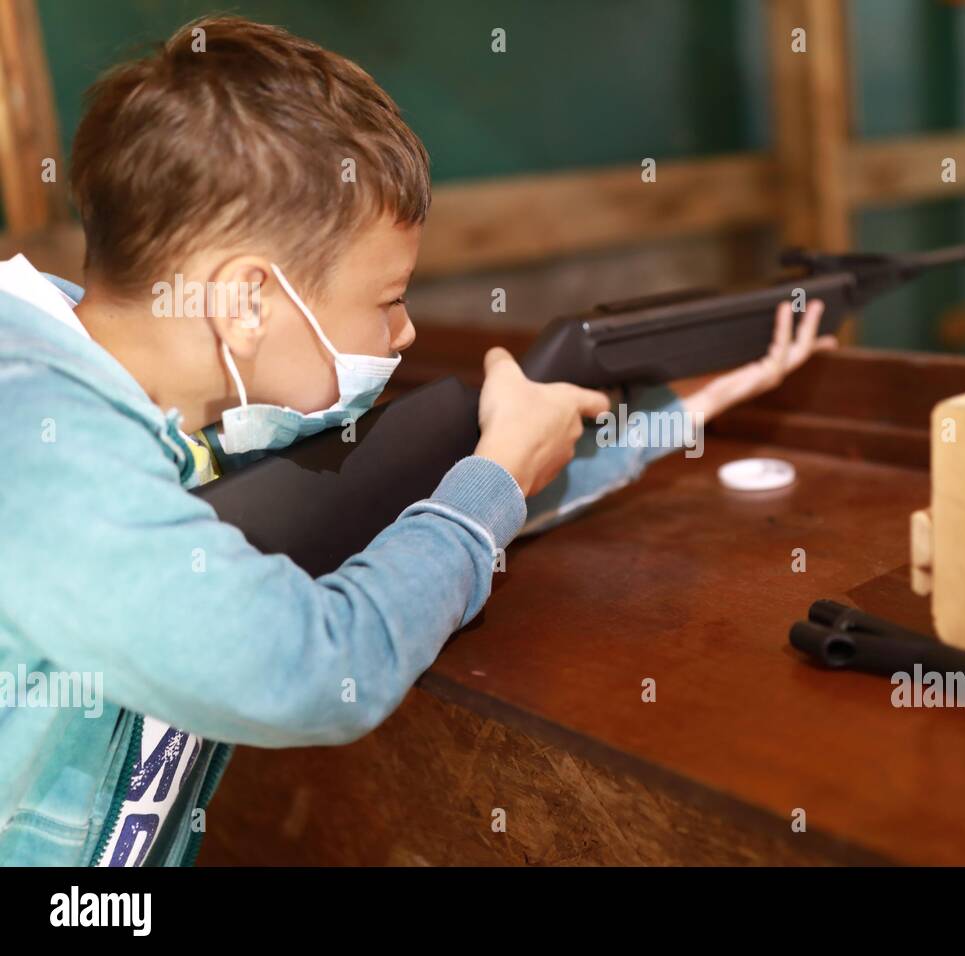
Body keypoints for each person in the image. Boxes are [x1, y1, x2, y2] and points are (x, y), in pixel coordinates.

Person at [0, 16, 835, 866]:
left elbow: (392, 497)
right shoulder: (35, 443)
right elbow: (311, 669)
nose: (401, 334)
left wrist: (677, 406)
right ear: (246, 302)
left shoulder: (174, 411)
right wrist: (495, 477)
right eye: (389, 298)